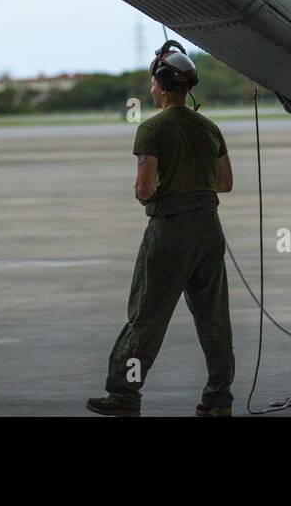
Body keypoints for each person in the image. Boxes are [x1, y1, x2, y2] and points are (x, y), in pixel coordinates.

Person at [88, 43, 235, 417]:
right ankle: (218, 399)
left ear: (163, 84)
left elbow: (144, 189)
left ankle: (124, 396)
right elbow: (225, 183)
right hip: (208, 229)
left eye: (153, 82)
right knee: (213, 318)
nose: (151, 88)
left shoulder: (151, 128)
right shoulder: (209, 127)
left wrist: (160, 193)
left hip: (170, 231)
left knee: (147, 316)